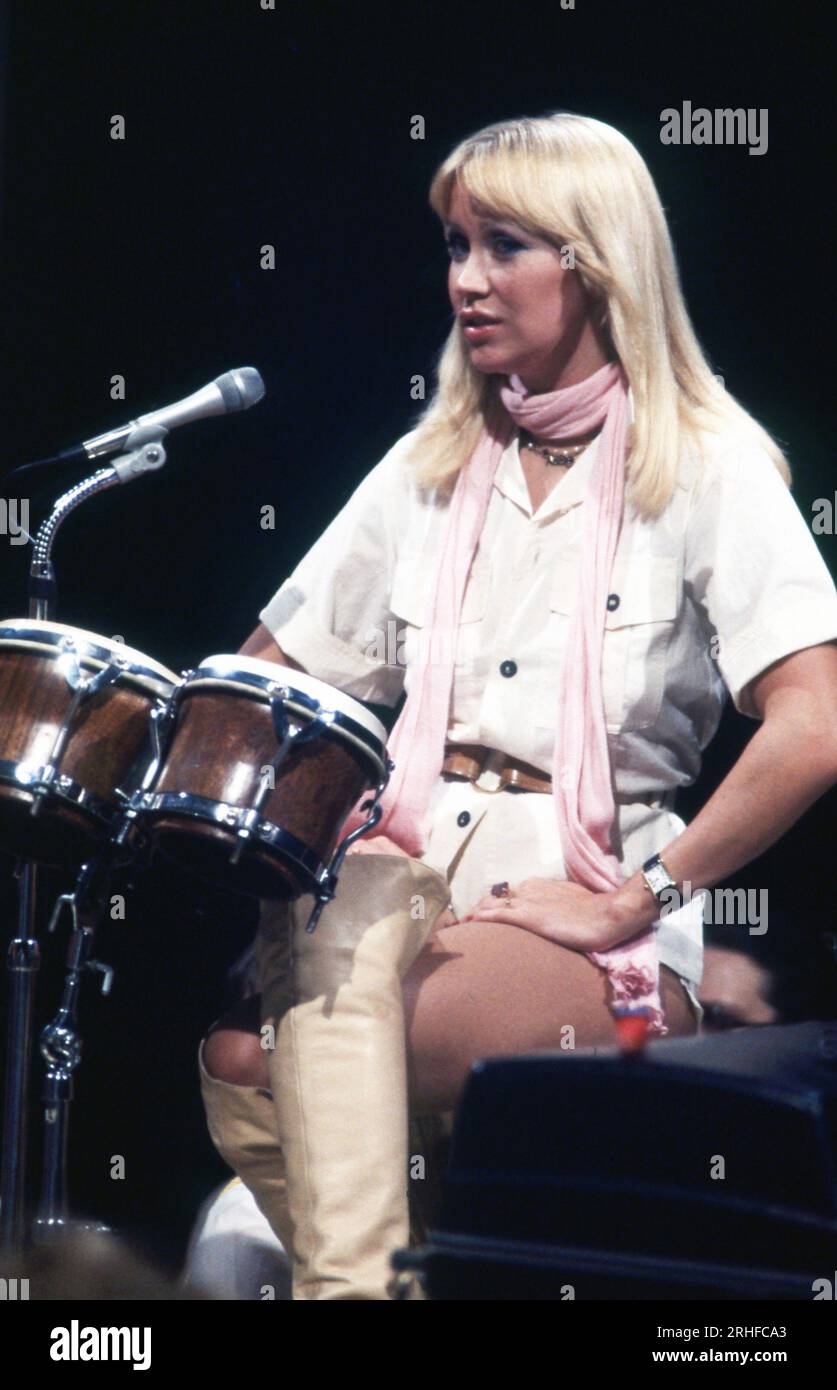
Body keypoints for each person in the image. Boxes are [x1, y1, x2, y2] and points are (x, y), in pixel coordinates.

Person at [199, 111, 837, 1300]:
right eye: (454, 245)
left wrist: (643, 896)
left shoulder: (705, 463)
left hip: (592, 904)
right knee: (237, 1052)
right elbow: (266, 685)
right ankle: (419, 1276)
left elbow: (817, 725)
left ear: (593, 262)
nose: (466, 282)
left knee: (295, 1032)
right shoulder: (426, 465)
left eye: (503, 246)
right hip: (401, 869)